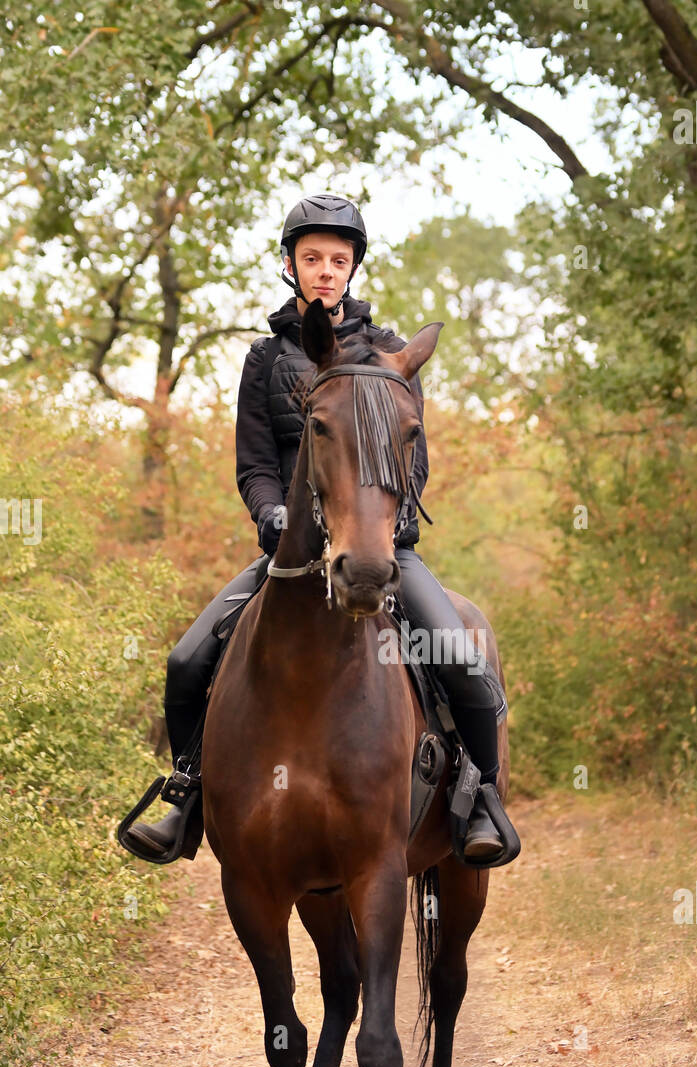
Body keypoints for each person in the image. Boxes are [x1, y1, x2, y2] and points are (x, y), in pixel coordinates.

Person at [120, 193, 514, 864]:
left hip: (380, 548)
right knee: (187, 661)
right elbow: (253, 464)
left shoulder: (391, 358)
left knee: (463, 661)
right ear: (290, 265)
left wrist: (390, 524)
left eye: (339, 259)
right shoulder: (266, 360)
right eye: (313, 259)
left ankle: (481, 796)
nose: (326, 270)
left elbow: (411, 465)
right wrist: (273, 514)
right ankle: (187, 793)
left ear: (353, 267)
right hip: (292, 554)